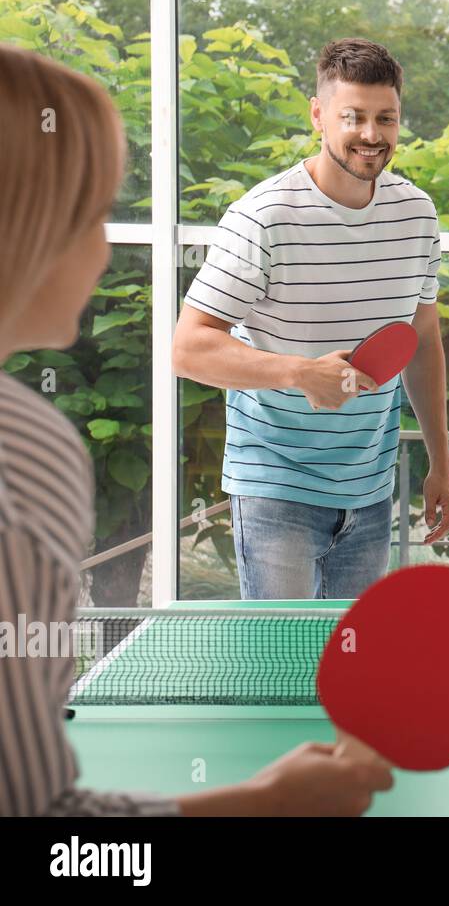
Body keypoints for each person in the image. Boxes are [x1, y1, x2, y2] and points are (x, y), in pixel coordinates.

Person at [0, 43, 393, 815]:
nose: (107, 245)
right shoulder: (24, 470)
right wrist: (259, 807)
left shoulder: (31, 441)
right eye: (90, 212)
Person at [172, 38, 449, 600]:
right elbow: (188, 348)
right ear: (318, 114)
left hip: (371, 487)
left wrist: (440, 462)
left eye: (386, 118)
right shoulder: (263, 216)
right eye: (353, 117)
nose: (371, 134)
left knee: (351, 670)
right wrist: (300, 373)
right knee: (282, 673)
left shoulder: (416, 214)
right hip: (275, 484)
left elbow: (422, 340)